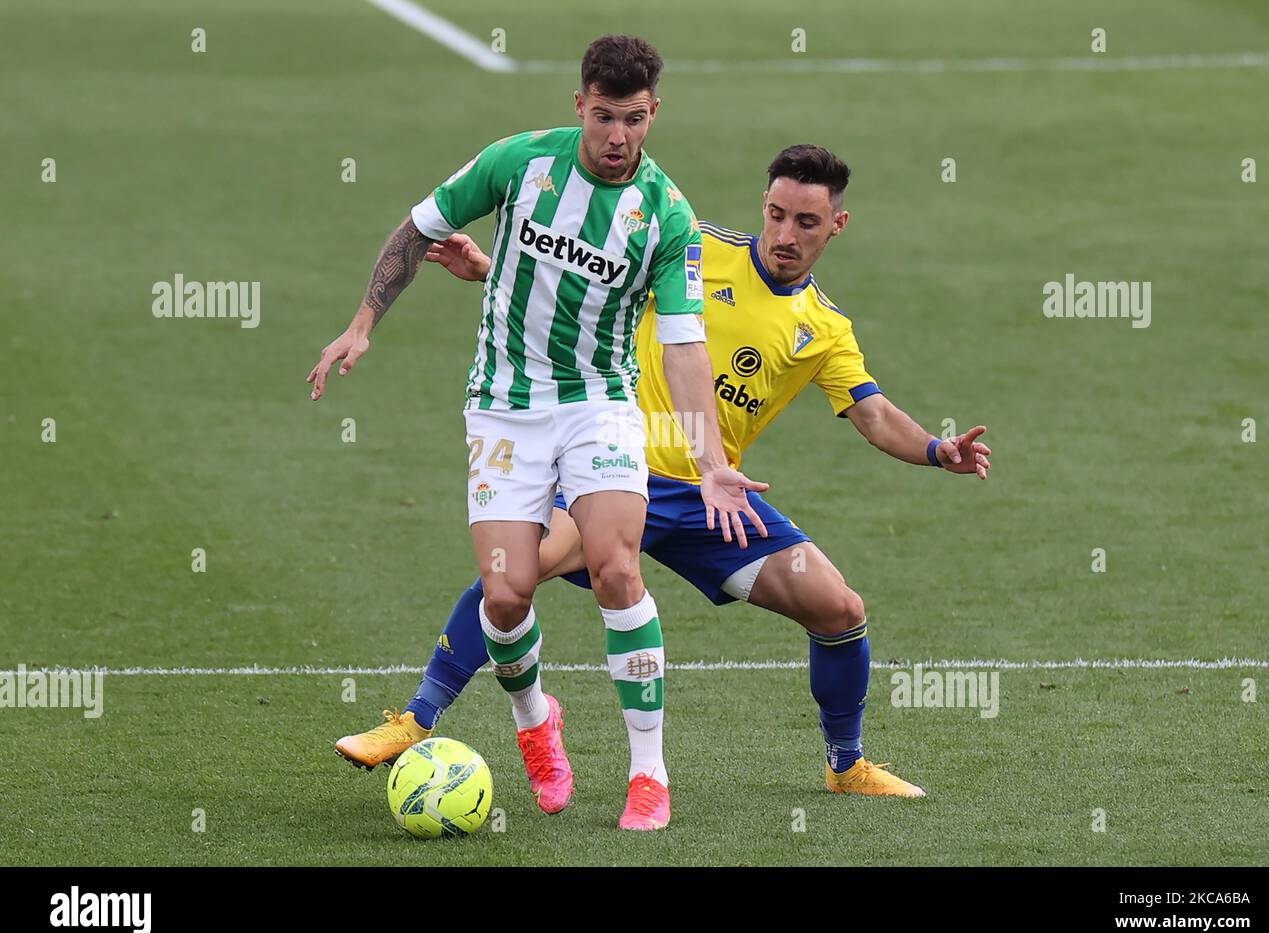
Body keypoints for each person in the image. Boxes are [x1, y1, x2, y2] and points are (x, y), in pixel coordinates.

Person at [338, 144, 993, 801]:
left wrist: (938, 451)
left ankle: (846, 765)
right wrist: (490, 272)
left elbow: (874, 415)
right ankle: (416, 721)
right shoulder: (693, 248)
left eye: (807, 223)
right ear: (763, 206)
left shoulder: (824, 327)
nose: (786, 235)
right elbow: (587, 297)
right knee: (518, 572)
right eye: (777, 214)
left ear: (836, 227)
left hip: (710, 497)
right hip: (614, 465)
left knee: (839, 608)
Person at [311, 35, 767, 832]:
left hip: (601, 405)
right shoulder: (519, 163)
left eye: (632, 119)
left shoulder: (667, 216)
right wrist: (361, 325)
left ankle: (648, 776)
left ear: (653, 111)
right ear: (578, 106)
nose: (617, 136)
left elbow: (685, 345)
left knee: (618, 567)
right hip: (503, 408)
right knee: (506, 590)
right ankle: (535, 724)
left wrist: (709, 459)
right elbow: (418, 228)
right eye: (602, 117)